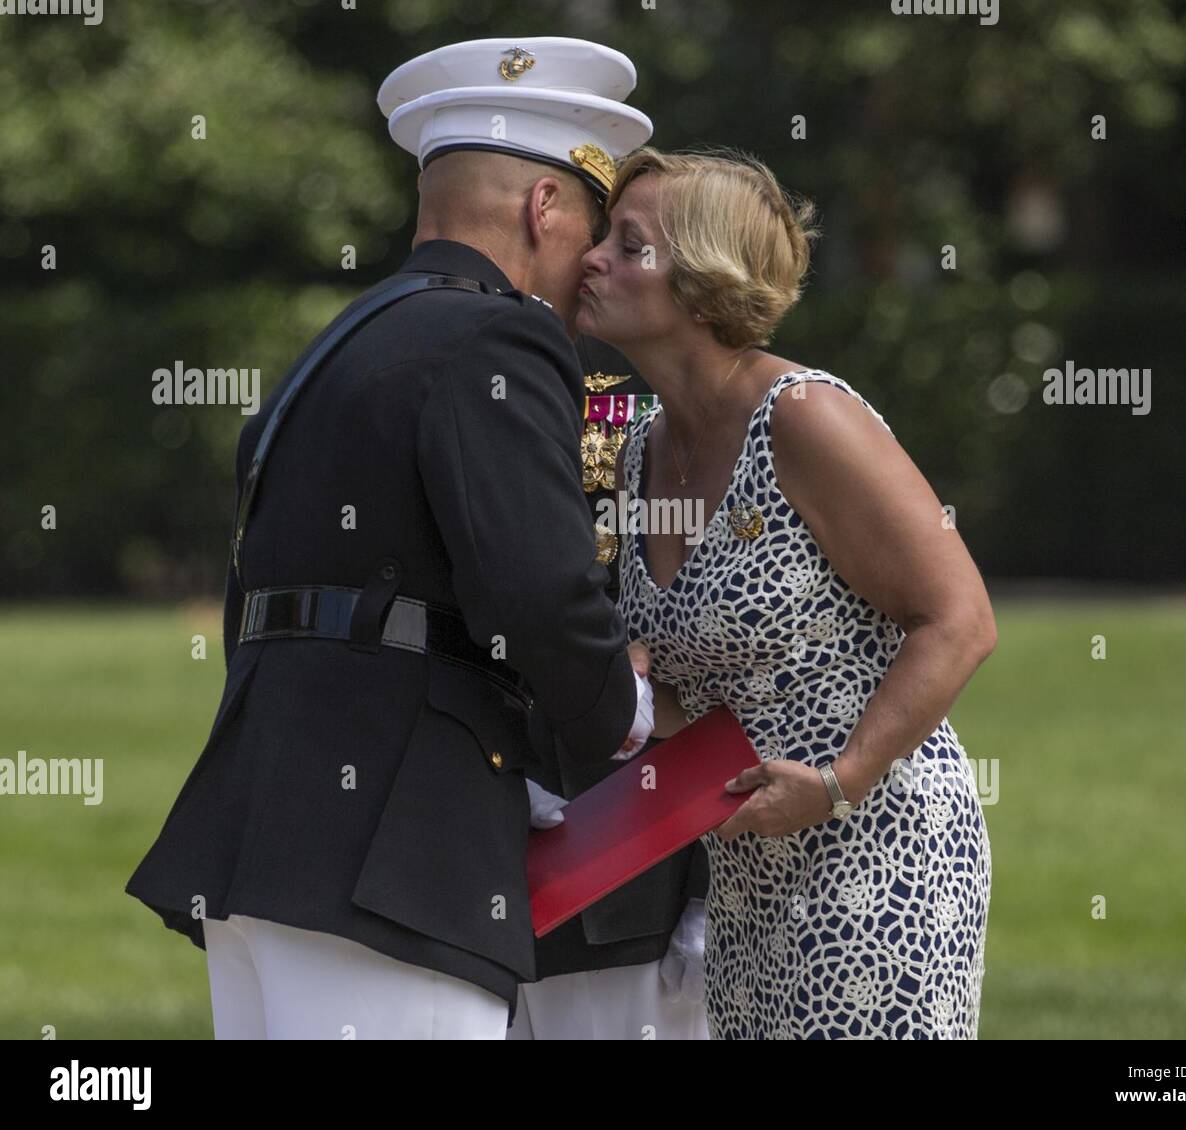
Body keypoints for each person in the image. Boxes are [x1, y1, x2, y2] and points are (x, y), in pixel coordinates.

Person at [124, 36, 654, 1040]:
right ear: (545, 207)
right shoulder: (504, 335)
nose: (591, 263)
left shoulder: (334, 347)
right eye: (589, 225)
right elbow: (537, 587)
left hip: (262, 833)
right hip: (391, 857)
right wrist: (618, 718)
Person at [576, 146, 997, 1039]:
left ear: (701, 283)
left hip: (878, 847)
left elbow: (959, 620)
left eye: (629, 245)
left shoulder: (805, 417)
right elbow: (687, 677)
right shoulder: (638, 447)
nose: (592, 259)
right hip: (746, 871)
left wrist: (841, 782)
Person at [509, 335, 709, 1041]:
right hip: (470, 848)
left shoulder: (675, 363)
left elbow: (716, 646)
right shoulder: (464, 336)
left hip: (629, 860)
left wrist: (706, 888)